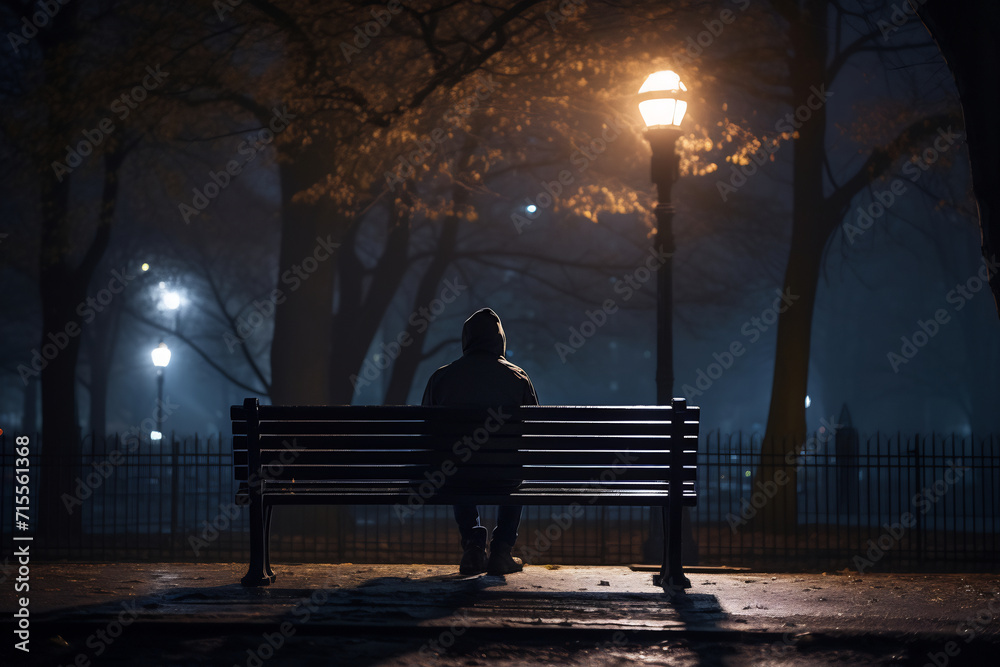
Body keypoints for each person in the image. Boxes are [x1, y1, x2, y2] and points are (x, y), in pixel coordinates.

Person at [421, 308, 539, 576]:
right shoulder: (517, 377)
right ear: (500, 340)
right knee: (516, 466)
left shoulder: (442, 377)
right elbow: (534, 432)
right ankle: (501, 550)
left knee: (453, 464)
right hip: (505, 476)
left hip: (457, 476)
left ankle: (473, 546)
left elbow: (427, 433)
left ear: (467, 340)